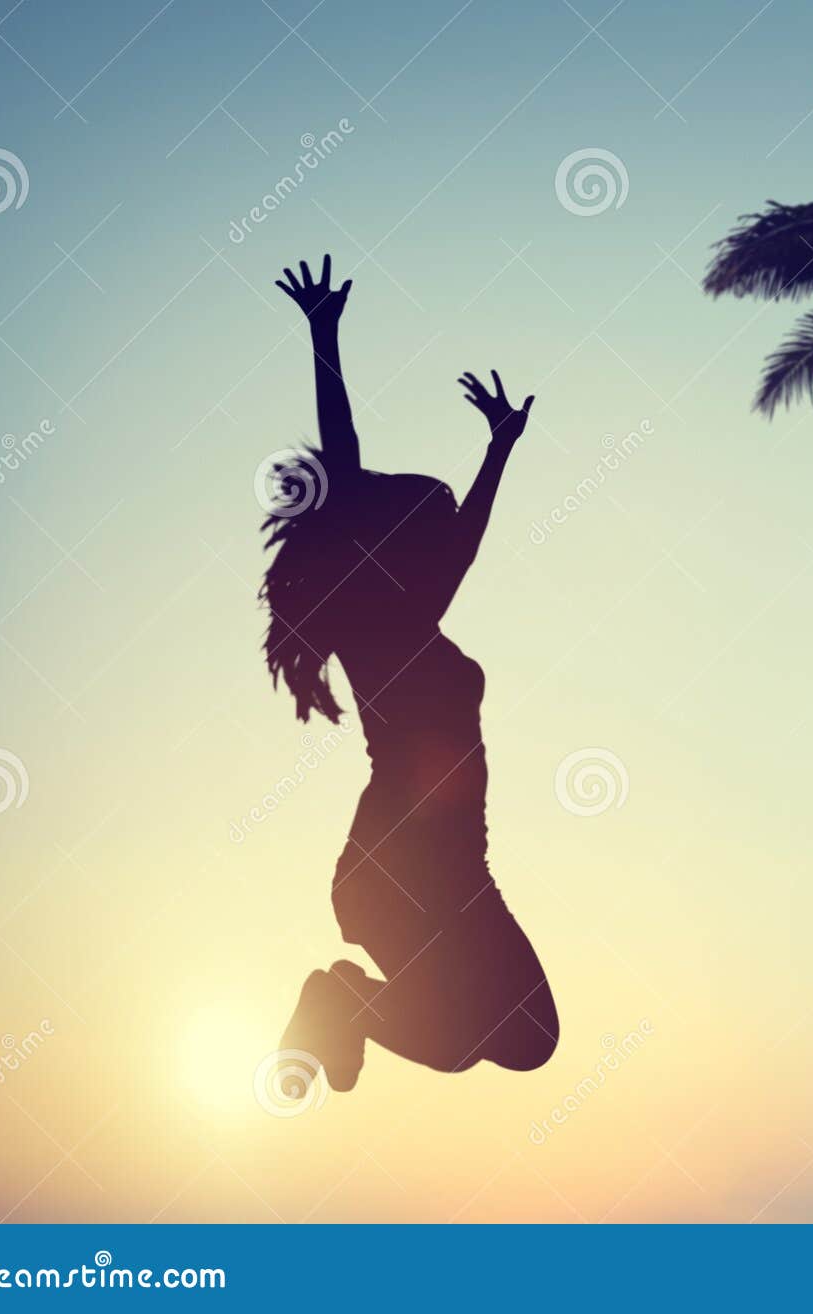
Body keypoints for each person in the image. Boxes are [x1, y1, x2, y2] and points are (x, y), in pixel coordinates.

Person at [261, 255, 557, 1093]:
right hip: (406, 865)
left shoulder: (418, 617)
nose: (442, 526)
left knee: (523, 1039)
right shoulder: (376, 620)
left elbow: (466, 536)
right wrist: (324, 335)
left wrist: (499, 449)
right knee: (478, 1040)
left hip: (457, 870)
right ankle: (337, 1003)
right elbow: (345, 468)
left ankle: (346, 1003)